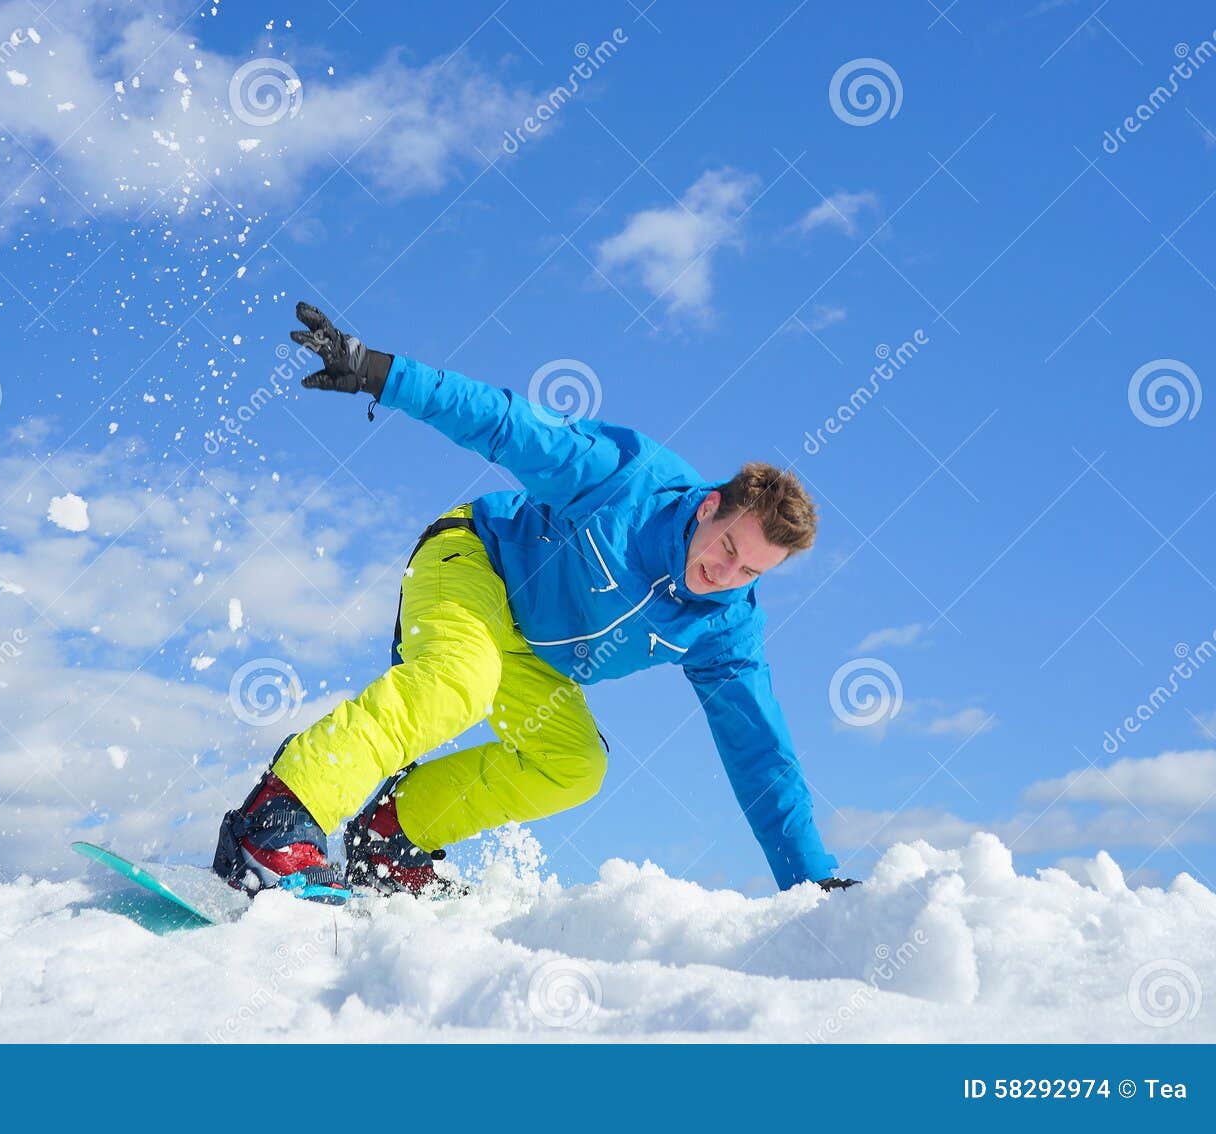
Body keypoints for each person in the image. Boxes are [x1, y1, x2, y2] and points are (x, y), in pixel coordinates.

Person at [212, 302, 859, 903]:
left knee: (575, 765)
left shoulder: (728, 623)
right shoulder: (621, 480)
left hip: (532, 652)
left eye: (750, 571)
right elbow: (506, 424)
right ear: (710, 506)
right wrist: (381, 373)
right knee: (459, 683)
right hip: (477, 562)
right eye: (726, 549)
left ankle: (390, 838)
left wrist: (814, 886)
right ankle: (274, 824)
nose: (724, 574)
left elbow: (761, 754)